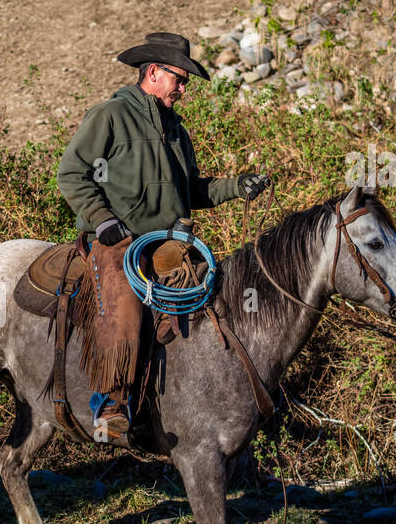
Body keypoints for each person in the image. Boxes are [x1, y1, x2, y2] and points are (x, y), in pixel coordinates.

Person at [56, 31, 271, 438]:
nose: (184, 89)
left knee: (213, 298)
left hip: (170, 243)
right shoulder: (110, 116)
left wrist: (236, 186)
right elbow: (72, 173)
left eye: (186, 81)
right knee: (122, 303)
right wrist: (101, 218)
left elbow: (190, 189)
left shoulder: (176, 129)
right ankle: (112, 404)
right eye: (180, 78)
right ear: (153, 72)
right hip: (116, 241)